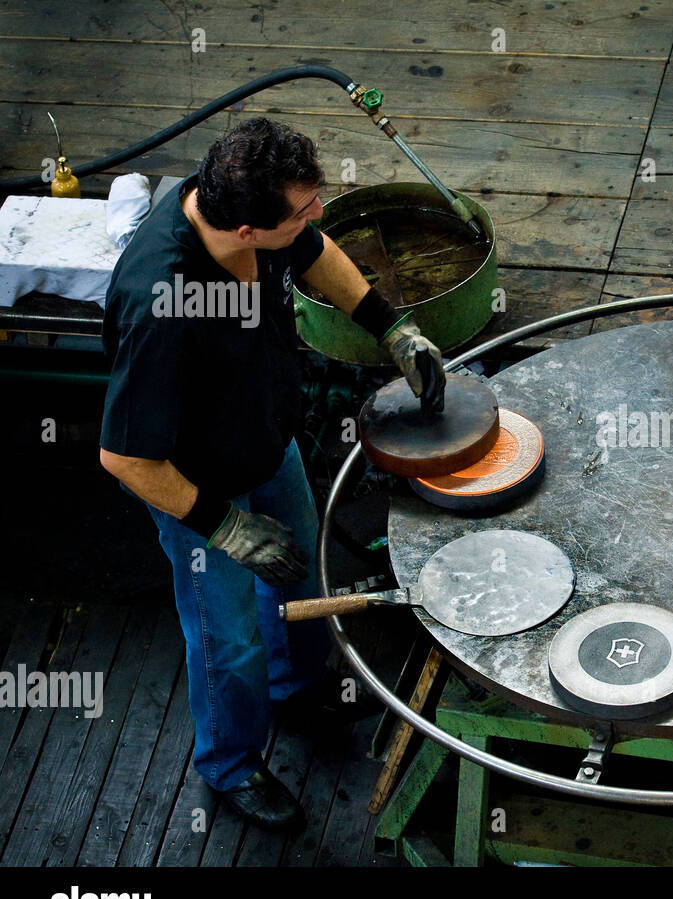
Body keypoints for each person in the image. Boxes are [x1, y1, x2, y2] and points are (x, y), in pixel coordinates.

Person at [98, 118, 439, 832]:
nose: (317, 218)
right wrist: (226, 529)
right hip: (196, 489)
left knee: (303, 576)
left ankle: (297, 689)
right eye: (302, 210)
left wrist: (392, 327)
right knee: (228, 640)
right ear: (248, 229)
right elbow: (125, 456)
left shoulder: (261, 218)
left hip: (266, 442)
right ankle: (230, 765)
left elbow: (317, 253)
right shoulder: (161, 301)